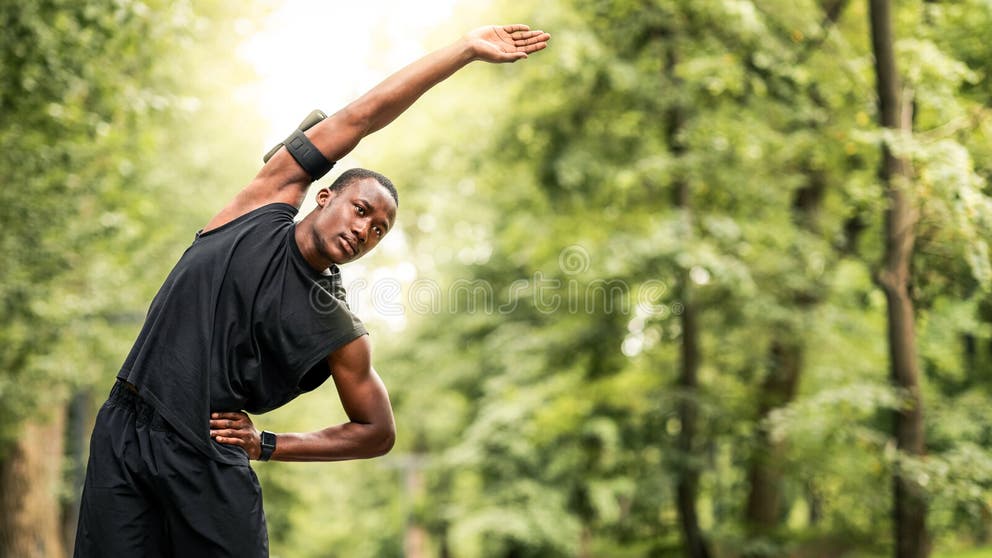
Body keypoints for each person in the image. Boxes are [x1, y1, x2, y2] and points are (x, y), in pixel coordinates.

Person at [73, 24, 550, 557]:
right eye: (361, 210)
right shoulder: (262, 202)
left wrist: (269, 444)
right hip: (123, 429)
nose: (364, 230)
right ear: (325, 196)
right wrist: (464, 50)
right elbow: (362, 116)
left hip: (206, 459)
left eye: (378, 231)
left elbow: (377, 431)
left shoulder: (337, 326)